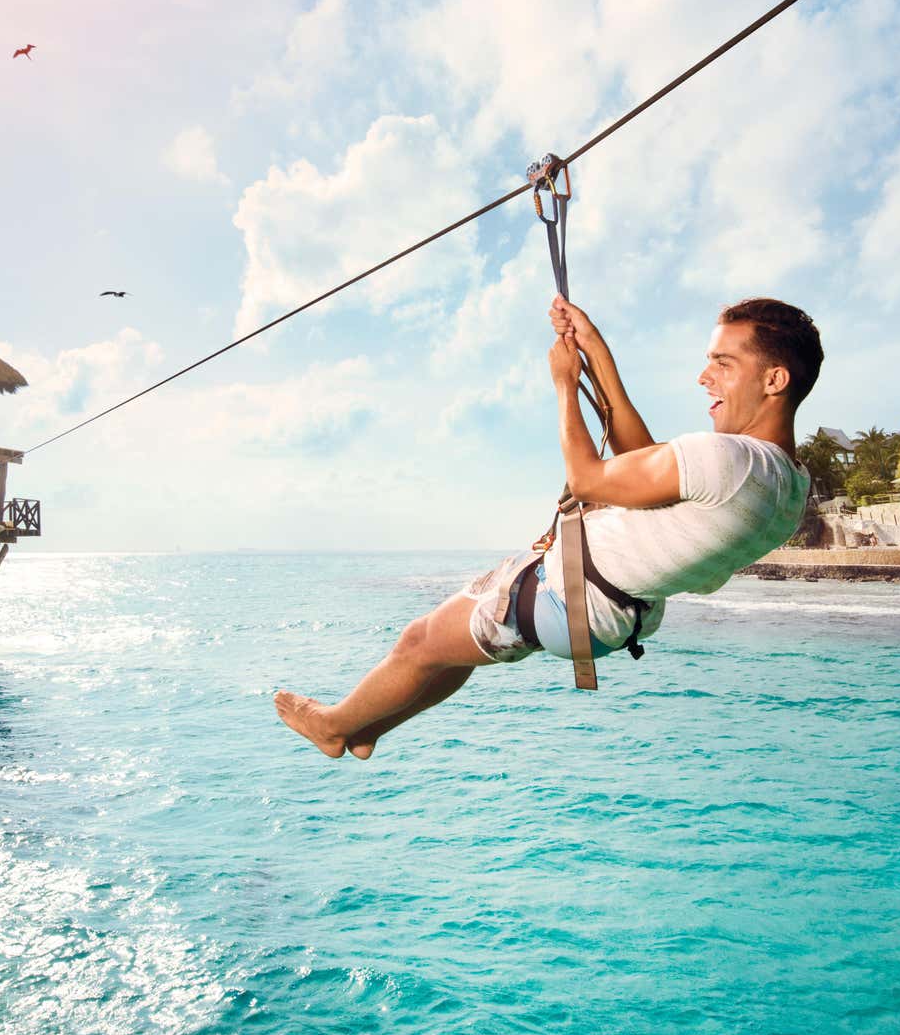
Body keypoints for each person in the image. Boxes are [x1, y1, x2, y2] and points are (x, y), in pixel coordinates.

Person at [275, 295, 819, 760]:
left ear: (774, 378)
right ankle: (370, 727)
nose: (705, 376)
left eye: (723, 363)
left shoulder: (730, 459)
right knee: (448, 650)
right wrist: (597, 352)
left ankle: (334, 727)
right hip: (602, 614)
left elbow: (587, 479)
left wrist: (565, 384)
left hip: (562, 596)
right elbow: (645, 460)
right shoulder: (788, 487)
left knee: (418, 640)